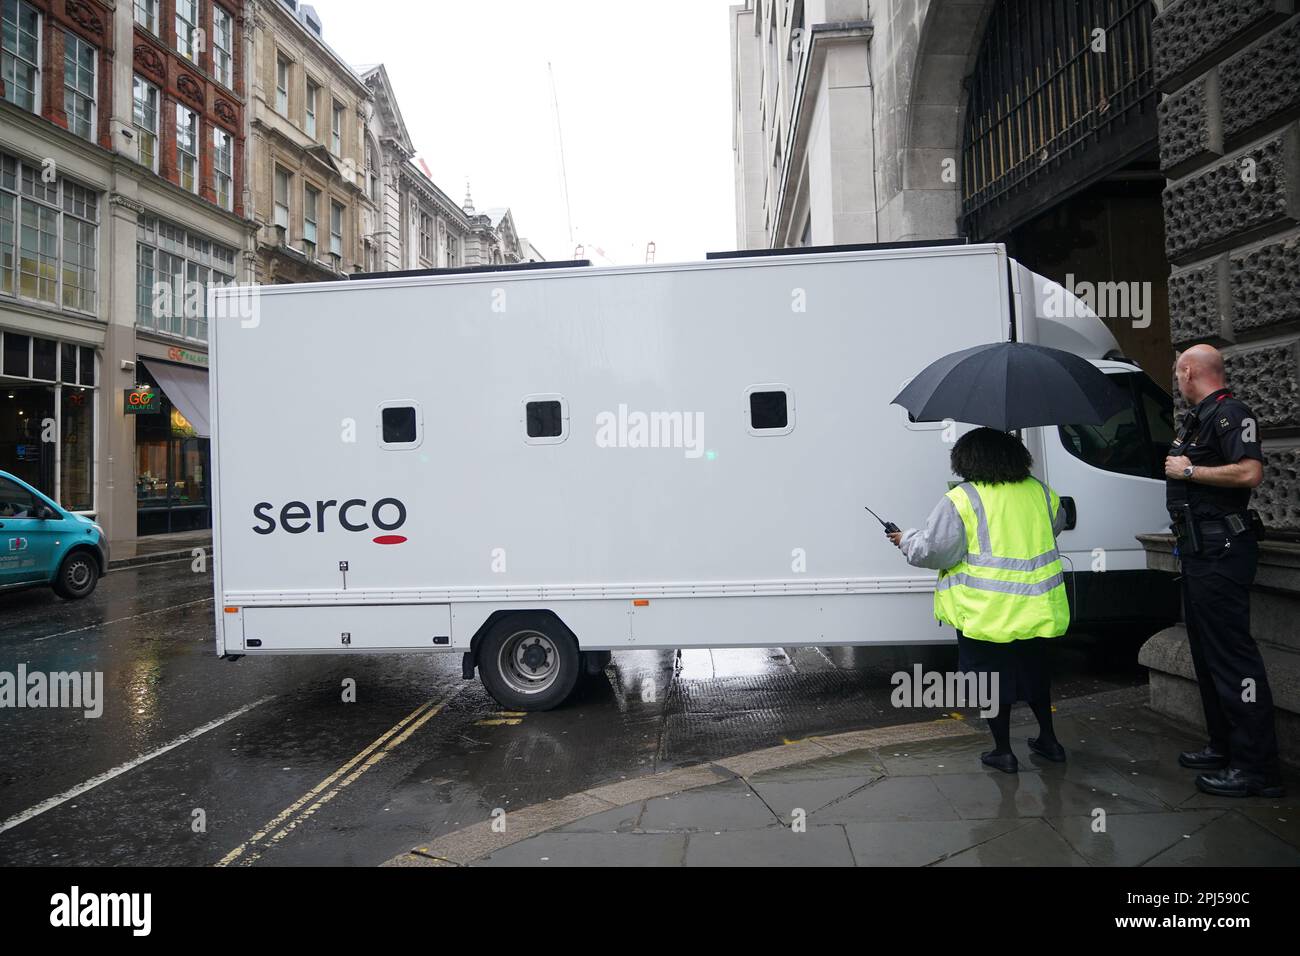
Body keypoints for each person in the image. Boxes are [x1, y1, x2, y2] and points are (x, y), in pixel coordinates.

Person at [889, 427, 1069, 774]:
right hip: (1037, 608)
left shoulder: (962, 498)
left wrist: (905, 539)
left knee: (991, 682)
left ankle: (1004, 752)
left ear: (966, 461)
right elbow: (1054, 526)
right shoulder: (1040, 491)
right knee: (1035, 675)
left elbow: (935, 551)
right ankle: (1050, 741)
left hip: (987, 613)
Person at [1165, 344, 1282, 797]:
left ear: (1190, 371)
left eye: (1178, 373)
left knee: (1233, 659)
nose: (1177, 381)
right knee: (1206, 654)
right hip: (1198, 551)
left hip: (1222, 551)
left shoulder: (1233, 413)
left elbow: (1250, 473)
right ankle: (1224, 747)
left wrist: (1190, 470)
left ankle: (1257, 769)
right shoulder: (1199, 418)